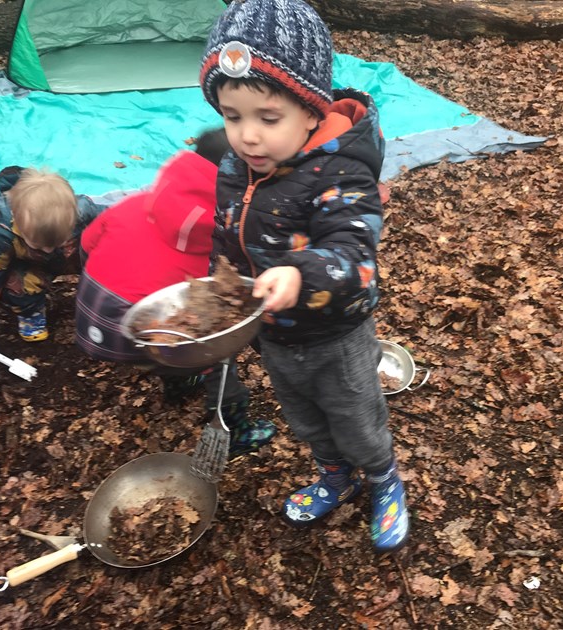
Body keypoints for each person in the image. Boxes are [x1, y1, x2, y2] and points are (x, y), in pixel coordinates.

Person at [199, 0, 408, 552]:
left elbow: (354, 252)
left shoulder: (342, 170)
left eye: (268, 118)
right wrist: (213, 289)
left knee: (355, 417)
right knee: (305, 418)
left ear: (312, 111)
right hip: (273, 333)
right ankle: (333, 475)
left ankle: (383, 478)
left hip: (335, 334)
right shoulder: (233, 166)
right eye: (231, 115)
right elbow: (229, 235)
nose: (247, 136)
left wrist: (298, 271)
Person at [75, 128, 277, 459]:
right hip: (147, 328)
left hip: (93, 315)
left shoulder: (135, 203)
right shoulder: (220, 241)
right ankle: (236, 428)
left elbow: (85, 246)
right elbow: (233, 305)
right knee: (217, 348)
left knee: (173, 327)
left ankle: (177, 381)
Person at [0, 166, 103, 350]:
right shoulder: (3, 233)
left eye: (56, 241)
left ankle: (104, 302)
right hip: (34, 265)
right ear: (20, 225)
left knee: (111, 264)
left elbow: (118, 222)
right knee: (13, 285)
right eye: (38, 244)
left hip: (76, 255)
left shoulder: (84, 211)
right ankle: (31, 313)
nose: (47, 249)